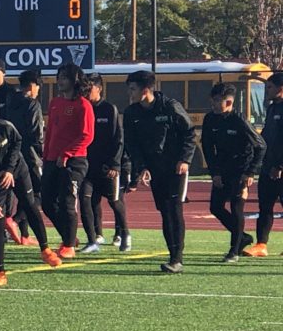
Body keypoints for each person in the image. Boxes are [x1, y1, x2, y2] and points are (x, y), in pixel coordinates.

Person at [0, 98, 63, 287]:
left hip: (17, 169)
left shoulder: (5, 127)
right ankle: (0, 272)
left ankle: (45, 250)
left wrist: (9, 169)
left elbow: (17, 142)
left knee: (30, 204)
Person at [123, 70, 196, 273]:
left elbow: (189, 132)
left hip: (175, 168)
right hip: (155, 170)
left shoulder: (170, 107)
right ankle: (172, 254)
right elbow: (132, 145)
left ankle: (177, 258)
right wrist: (142, 168)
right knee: (164, 211)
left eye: (133, 89)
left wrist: (185, 160)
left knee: (174, 209)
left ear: (145, 90)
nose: (130, 93)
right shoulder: (131, 114)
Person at [202, 82, 265, 262]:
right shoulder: (210, 119)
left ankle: (234, 250)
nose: (212, 104)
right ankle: (242, 237)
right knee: (215, 207)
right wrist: (214, 173)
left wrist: (250, 172)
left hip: (240, 171)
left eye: (216, 101)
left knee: (236, 207)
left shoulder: (239, 120)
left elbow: (260, 146)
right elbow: (207, 147)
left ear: (228, 103)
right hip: (221, 170)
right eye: (212, 100)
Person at [42, 63, 94, 258]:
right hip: (51, 160)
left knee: (67, 202)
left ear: (75, 80)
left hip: (74, 161)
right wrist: (46, 155)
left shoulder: (83, 105)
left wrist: (67, 154)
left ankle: (69, 246)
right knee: (46, 202)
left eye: (64, 77)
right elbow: (51, 133)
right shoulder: (54, 103)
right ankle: (69, 236)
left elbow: (86, 136)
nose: (60, 81)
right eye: (59, 76)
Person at [80, 73, 130, 253]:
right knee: (86, 200)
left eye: (89, 88)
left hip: (107, 165)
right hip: (86, 165)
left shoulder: (109, 109)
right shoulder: (82, 108)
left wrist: (115, 164)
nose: (86, 92)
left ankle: (124, 233)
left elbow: (118, 138)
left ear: (99, 88)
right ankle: (93, 239)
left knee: (115, 201)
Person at [4, 69, 45, 244]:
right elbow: (37, 134)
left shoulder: (9, 102)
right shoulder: (32, 104)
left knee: (22, 194)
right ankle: (14, 220)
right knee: (38, 193)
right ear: (32, 86)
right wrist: (44, 153)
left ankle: (25, 235)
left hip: (11, 155)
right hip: (30, 155)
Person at [244, 72, 283, 257]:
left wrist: (280, 166)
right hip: (268, 167)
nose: (266, 91)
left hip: (280, 168)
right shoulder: (272, 109)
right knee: (265, 206)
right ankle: (261, 244)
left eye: (269, 87)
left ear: (280, 88)